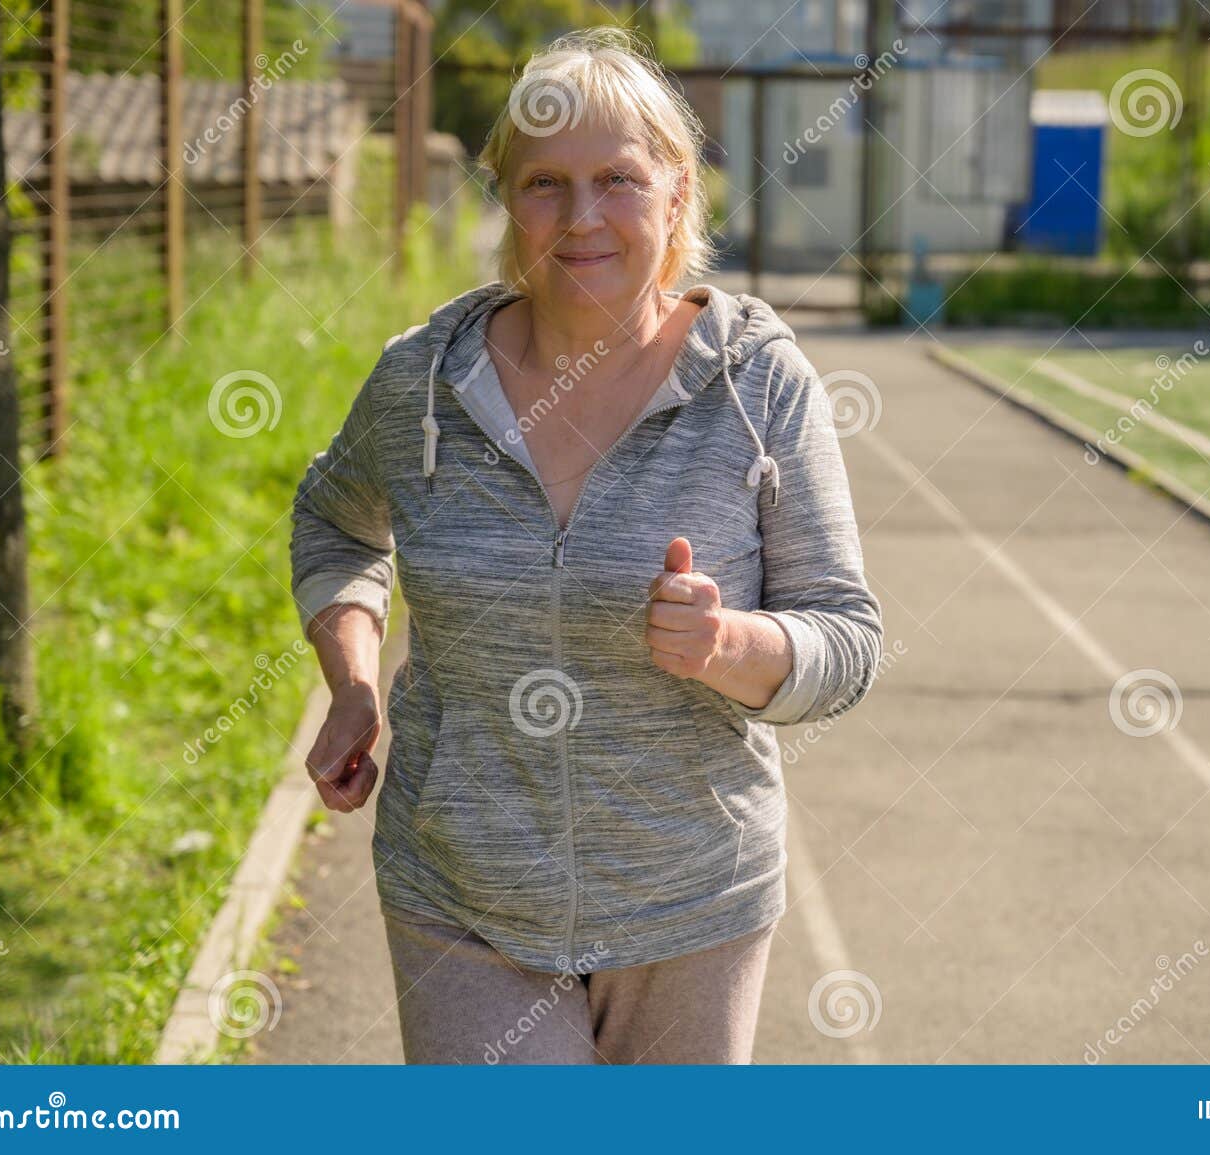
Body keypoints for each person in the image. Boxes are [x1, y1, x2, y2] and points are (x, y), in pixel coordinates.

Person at [288, 26, 882, 1064]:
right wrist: (351, 677)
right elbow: (334, 520)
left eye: (616, 179)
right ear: (507, 203)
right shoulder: (420, 381)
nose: (581, 217)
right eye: (545, 185)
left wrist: (733, 647)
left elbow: (847, 642)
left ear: (676, 195)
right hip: (460, 898)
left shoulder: (758, 385)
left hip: (692, 907)